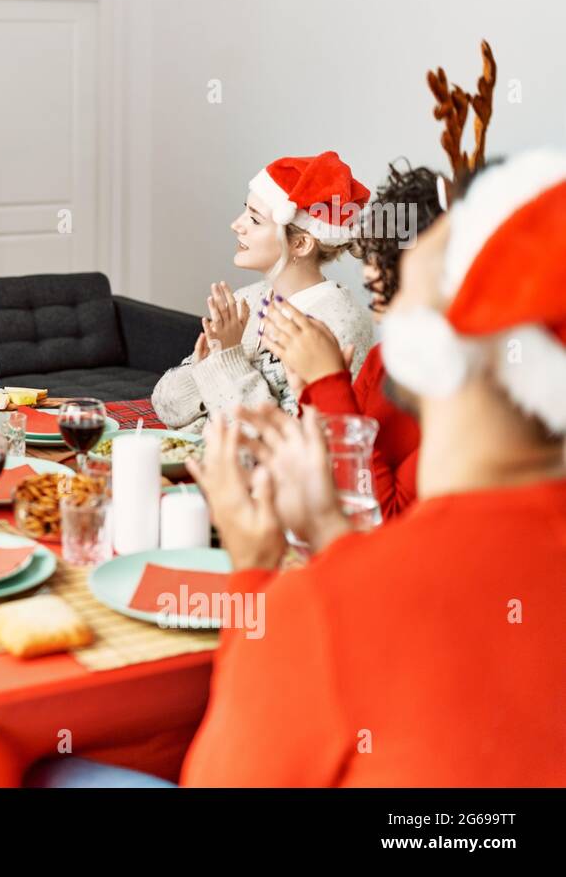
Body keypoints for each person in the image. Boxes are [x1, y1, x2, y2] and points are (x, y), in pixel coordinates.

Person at [30, 148, 566, 787]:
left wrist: (258, 572)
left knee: (40, 763)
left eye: (403, 291)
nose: (381, 294)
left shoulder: (329, 601)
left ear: (438, 353)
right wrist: (331, 531)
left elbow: (224, 778)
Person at [257, 160, 443, 519]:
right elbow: (326, 475)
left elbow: (380, 517)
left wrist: (328, 384)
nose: (369, 270)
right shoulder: (383, 360)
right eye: (374, 251)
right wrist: (310, 396)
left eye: (389, 256)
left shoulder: (466, 395)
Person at [151, 152, 374, 432]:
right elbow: (166, 404)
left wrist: (226, 359)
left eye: (255, 220)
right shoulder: (246, 300)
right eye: (245, 211)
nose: (236, 225)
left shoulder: (340, 324)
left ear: (301, 244)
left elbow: (279, 441)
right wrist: (210, 365)